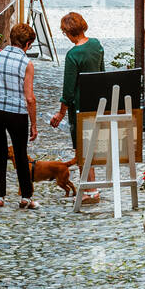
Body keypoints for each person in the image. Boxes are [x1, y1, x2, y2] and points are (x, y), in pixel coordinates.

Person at [0, 23, 38, 209]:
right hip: (16, 113)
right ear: (28, 44)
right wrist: (34, 125)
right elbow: (29, 98)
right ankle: (26, 198)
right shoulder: (26, 64)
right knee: (20, 155)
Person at [50, 12, 105, 202]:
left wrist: (60, 113)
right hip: (96, 104)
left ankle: (91, 191)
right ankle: (90, 188)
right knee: (89, 147)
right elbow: (102, 74)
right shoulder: (96, 45)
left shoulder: (73, 55)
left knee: (82, 150)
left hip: (80, 107)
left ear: (68, 32)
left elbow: (69, 90)